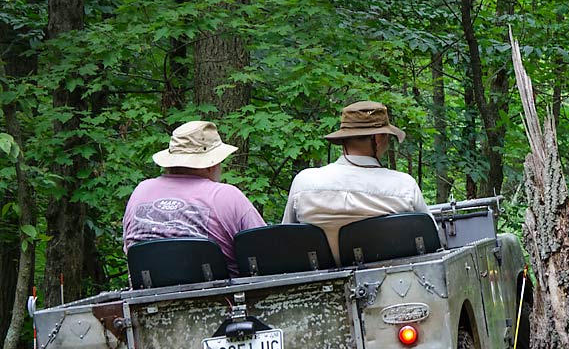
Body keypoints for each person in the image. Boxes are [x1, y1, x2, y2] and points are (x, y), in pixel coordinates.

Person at [282, 100, 433, 264]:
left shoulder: (304, 182)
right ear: (378, 138)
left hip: (319, 285)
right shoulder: (404, 186)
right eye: (387, 137)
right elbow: (432, 240)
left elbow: (289, 238)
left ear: (344, 139)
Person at [123, 120, 265, 276]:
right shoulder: (227, 197)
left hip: (145, 297)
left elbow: (130, 252)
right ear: (211, 164)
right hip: (222, 298)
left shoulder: (141, 193)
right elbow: (265, 254)